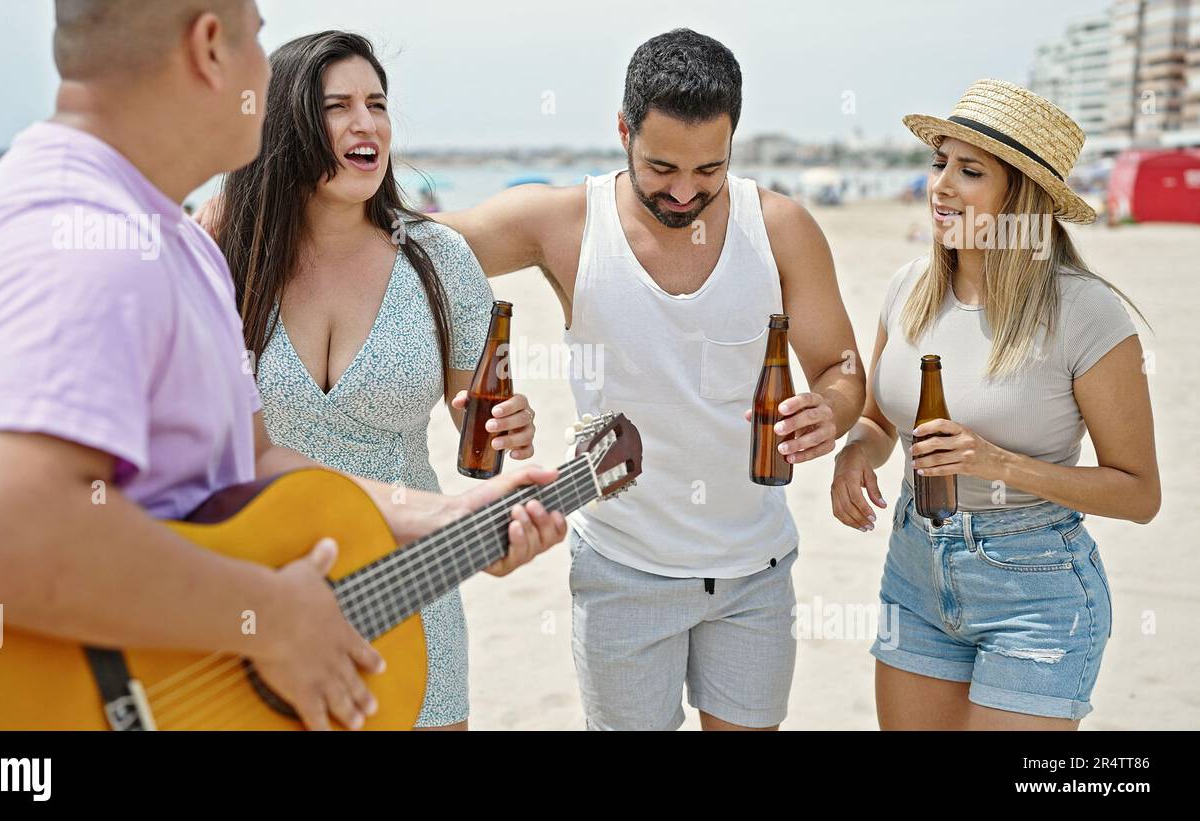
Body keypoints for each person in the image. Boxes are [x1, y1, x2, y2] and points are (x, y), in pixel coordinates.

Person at [0, 0, 566, 732]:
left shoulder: (174, 244)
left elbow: (248, 462)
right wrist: (270, 617)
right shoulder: (88, 242)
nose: (266, 66)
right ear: (211, 47)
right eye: (258, 36)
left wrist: (442, 513)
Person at [439, 28, 866, 730]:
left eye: (709, 171)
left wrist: (831, 406)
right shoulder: (564, 223)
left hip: (754, 573)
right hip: (620, 570)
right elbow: (409, 244)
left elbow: (842, 368)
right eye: (662, 167)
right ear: (622, 130)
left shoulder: (782, 228)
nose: (684, 192)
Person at [200, 31, 541, 731]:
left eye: (377, 103)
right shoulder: (227, 251)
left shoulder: (438, 258)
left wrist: (506, 424)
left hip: (411, 584)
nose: (368, 124)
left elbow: (476, 430)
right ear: (288, 124)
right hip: (266, 593)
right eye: (338, 106)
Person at [830, 79, 1159, 729]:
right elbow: (876, 418)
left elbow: (1139, 494)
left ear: (1021, 197)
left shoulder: (1084, 312)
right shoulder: (909, 288)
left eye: (970, 170)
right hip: (915, 575)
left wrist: (997, 463)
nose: (941, 185)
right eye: (939, 162)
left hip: (1034, 590)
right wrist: (853, 454)